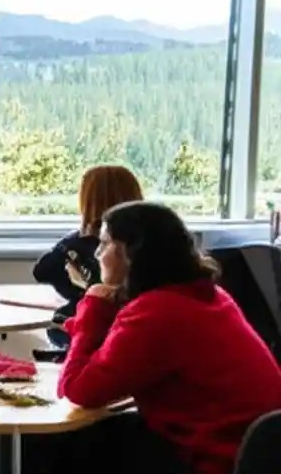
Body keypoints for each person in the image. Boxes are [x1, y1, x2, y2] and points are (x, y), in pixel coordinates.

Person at [52, 201, 281, 474]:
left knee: (58, 445)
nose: (98, 253)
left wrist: (93, 305)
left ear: (130, 253)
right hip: (255, 450)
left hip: (215, 460)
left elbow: (77, 390)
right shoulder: (209, 295)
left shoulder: (155, 313)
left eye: (104, 243)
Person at [33, 165, 143, 346]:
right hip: (137, 331)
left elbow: (42, 271)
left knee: (59, 324)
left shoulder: (76, 245)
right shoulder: (155, 243)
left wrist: (78, 284)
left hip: (100, 332)